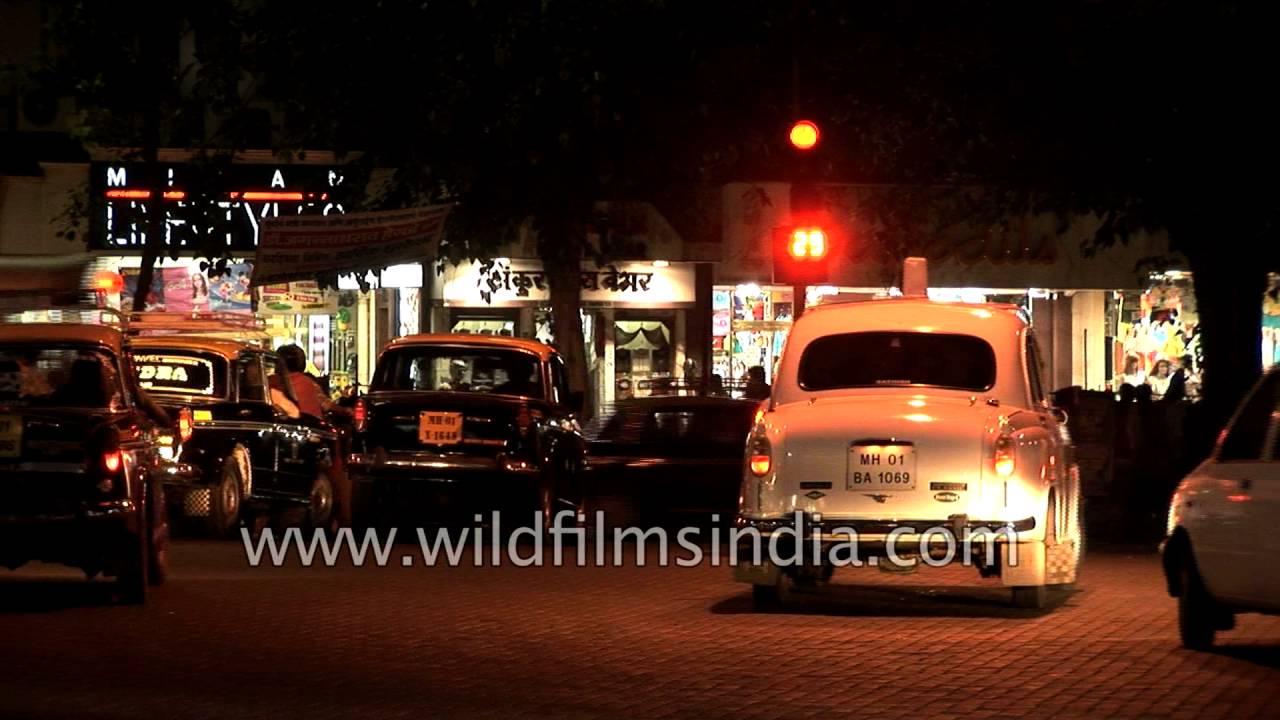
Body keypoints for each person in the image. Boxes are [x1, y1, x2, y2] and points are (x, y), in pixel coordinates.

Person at [279, 344, 349, 420]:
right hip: (310, 424)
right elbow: (327, 405)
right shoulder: (309, 383)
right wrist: (345, 410)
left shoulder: (273, 382)